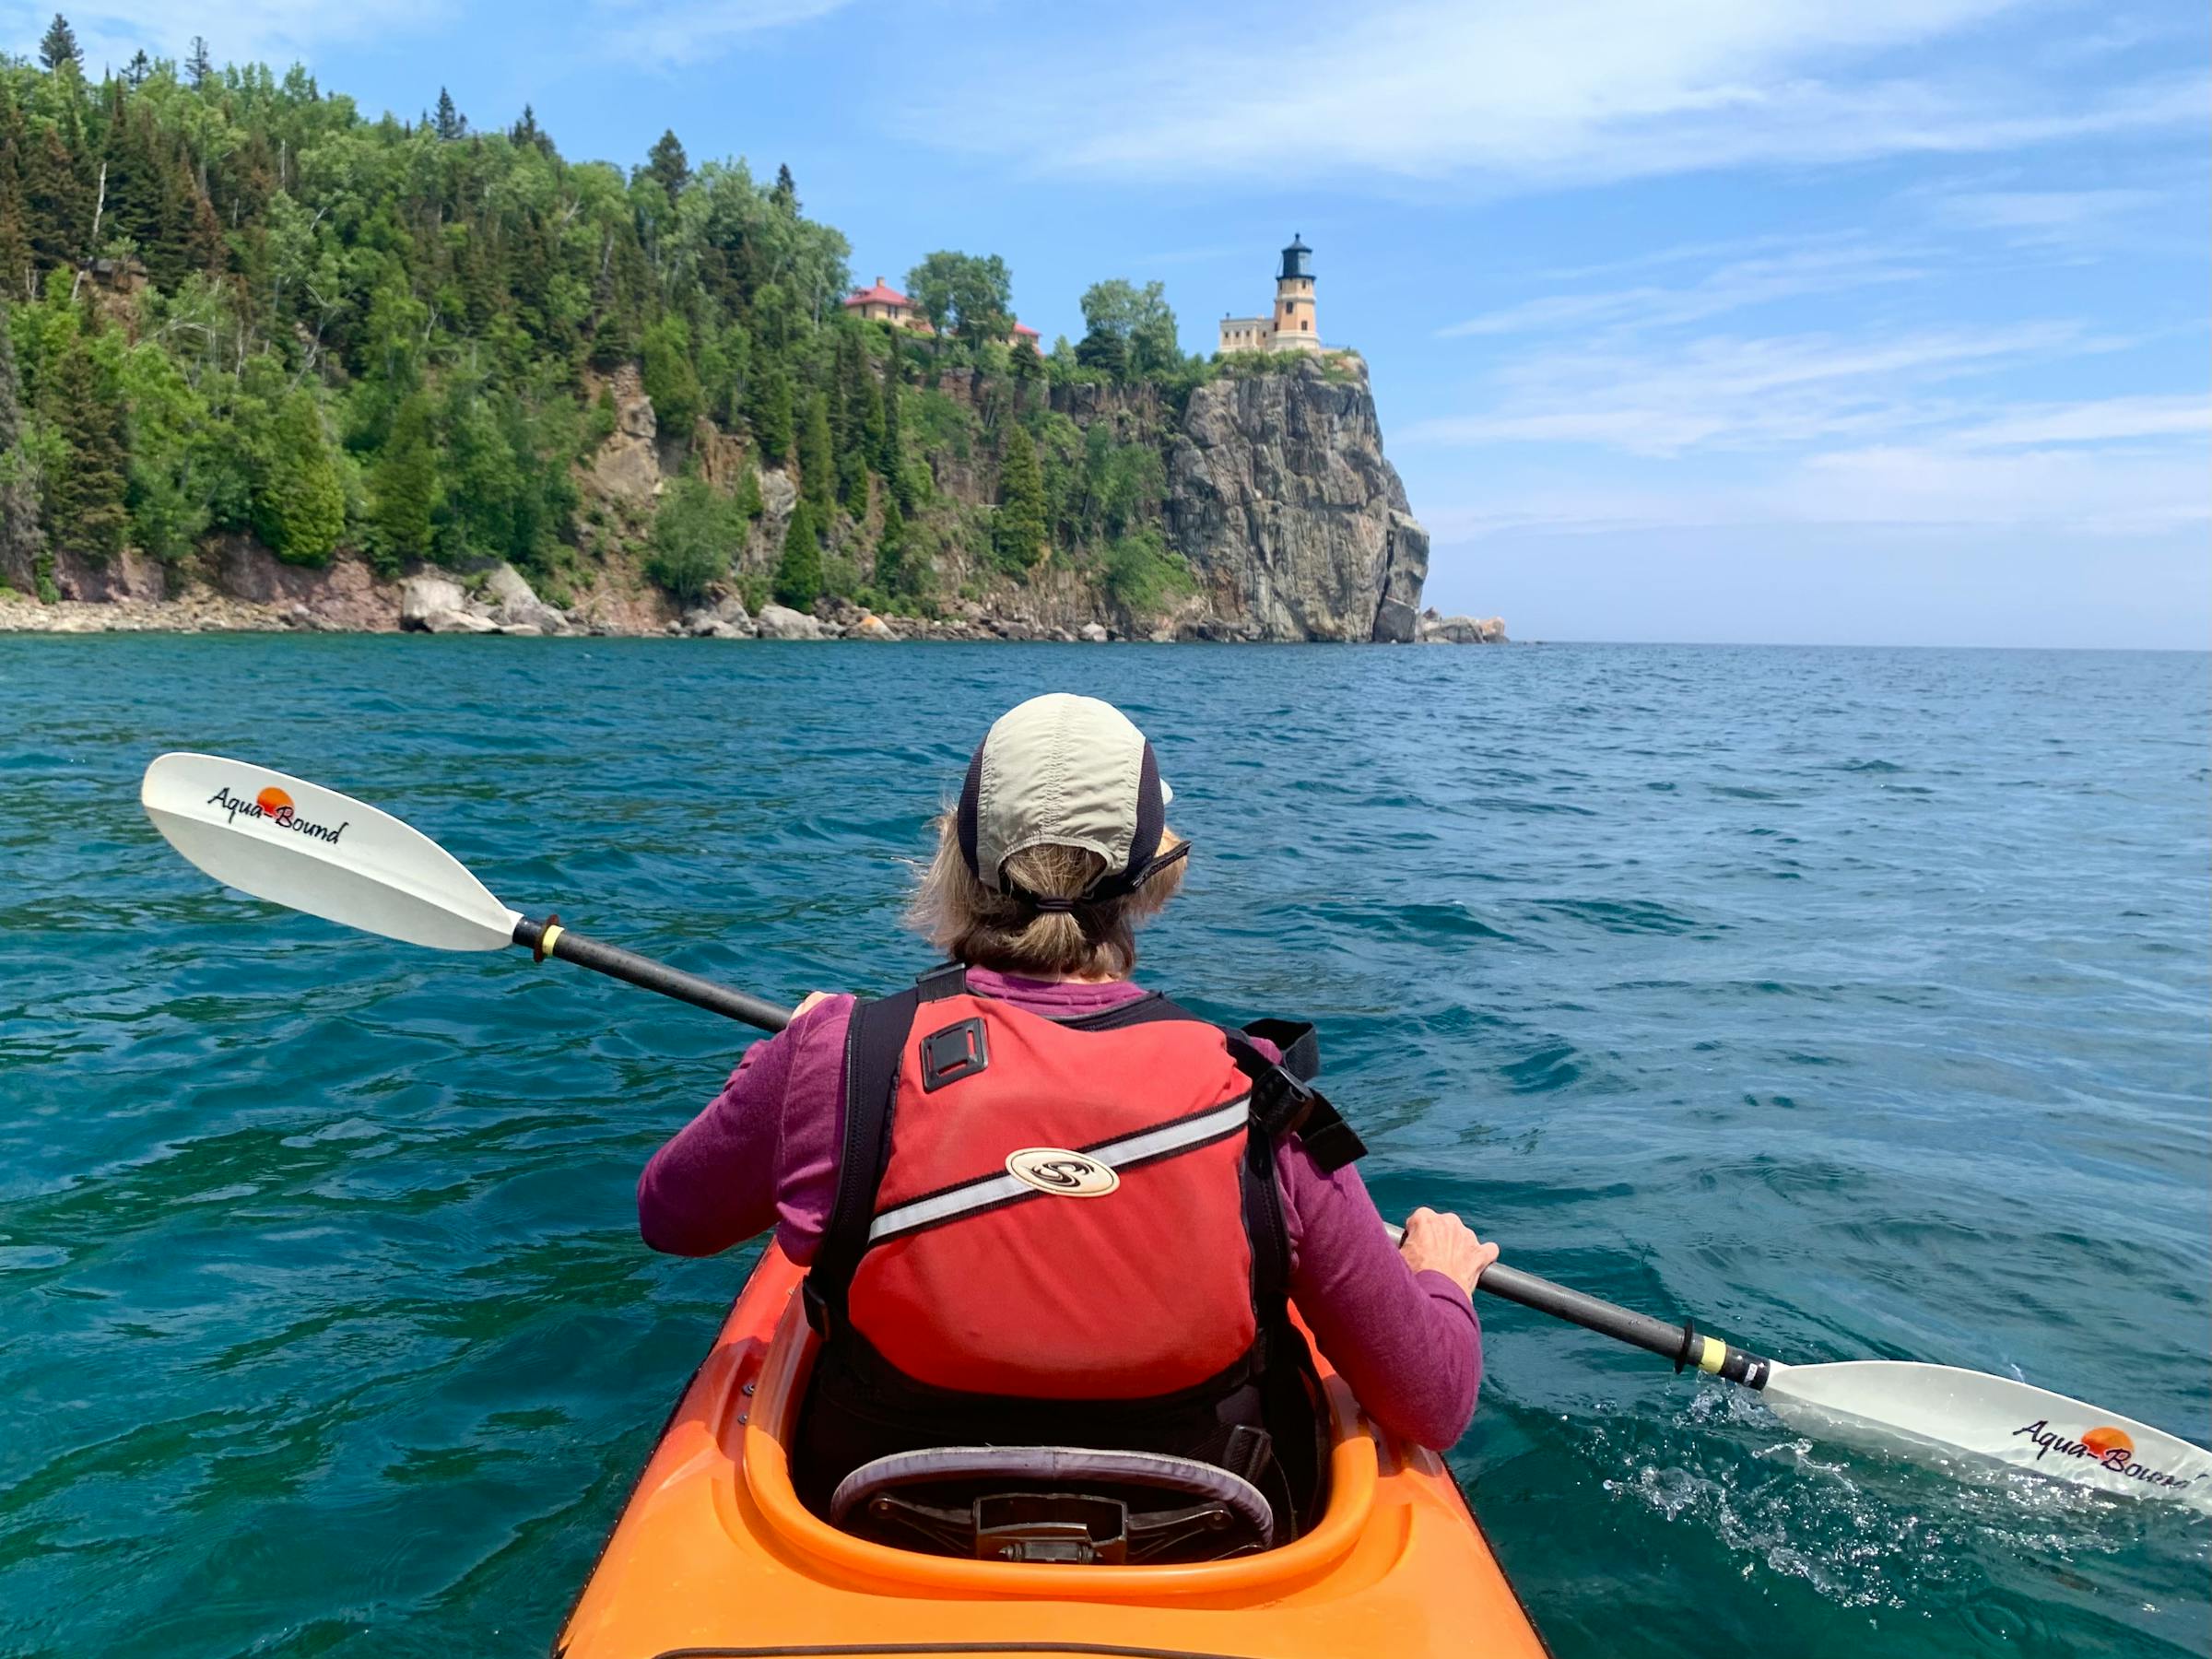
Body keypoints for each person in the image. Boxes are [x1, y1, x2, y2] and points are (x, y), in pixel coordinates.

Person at [638, 693, 1497, 1536]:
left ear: (959, 856)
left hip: (884, 1535)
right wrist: (1440, 1283)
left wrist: (792, 1056)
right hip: (1194, 1547)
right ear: (1161, 875)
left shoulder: (839, 1054)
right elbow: (1431, 1402)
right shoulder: (1260, 1097)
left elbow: (672, 1216)